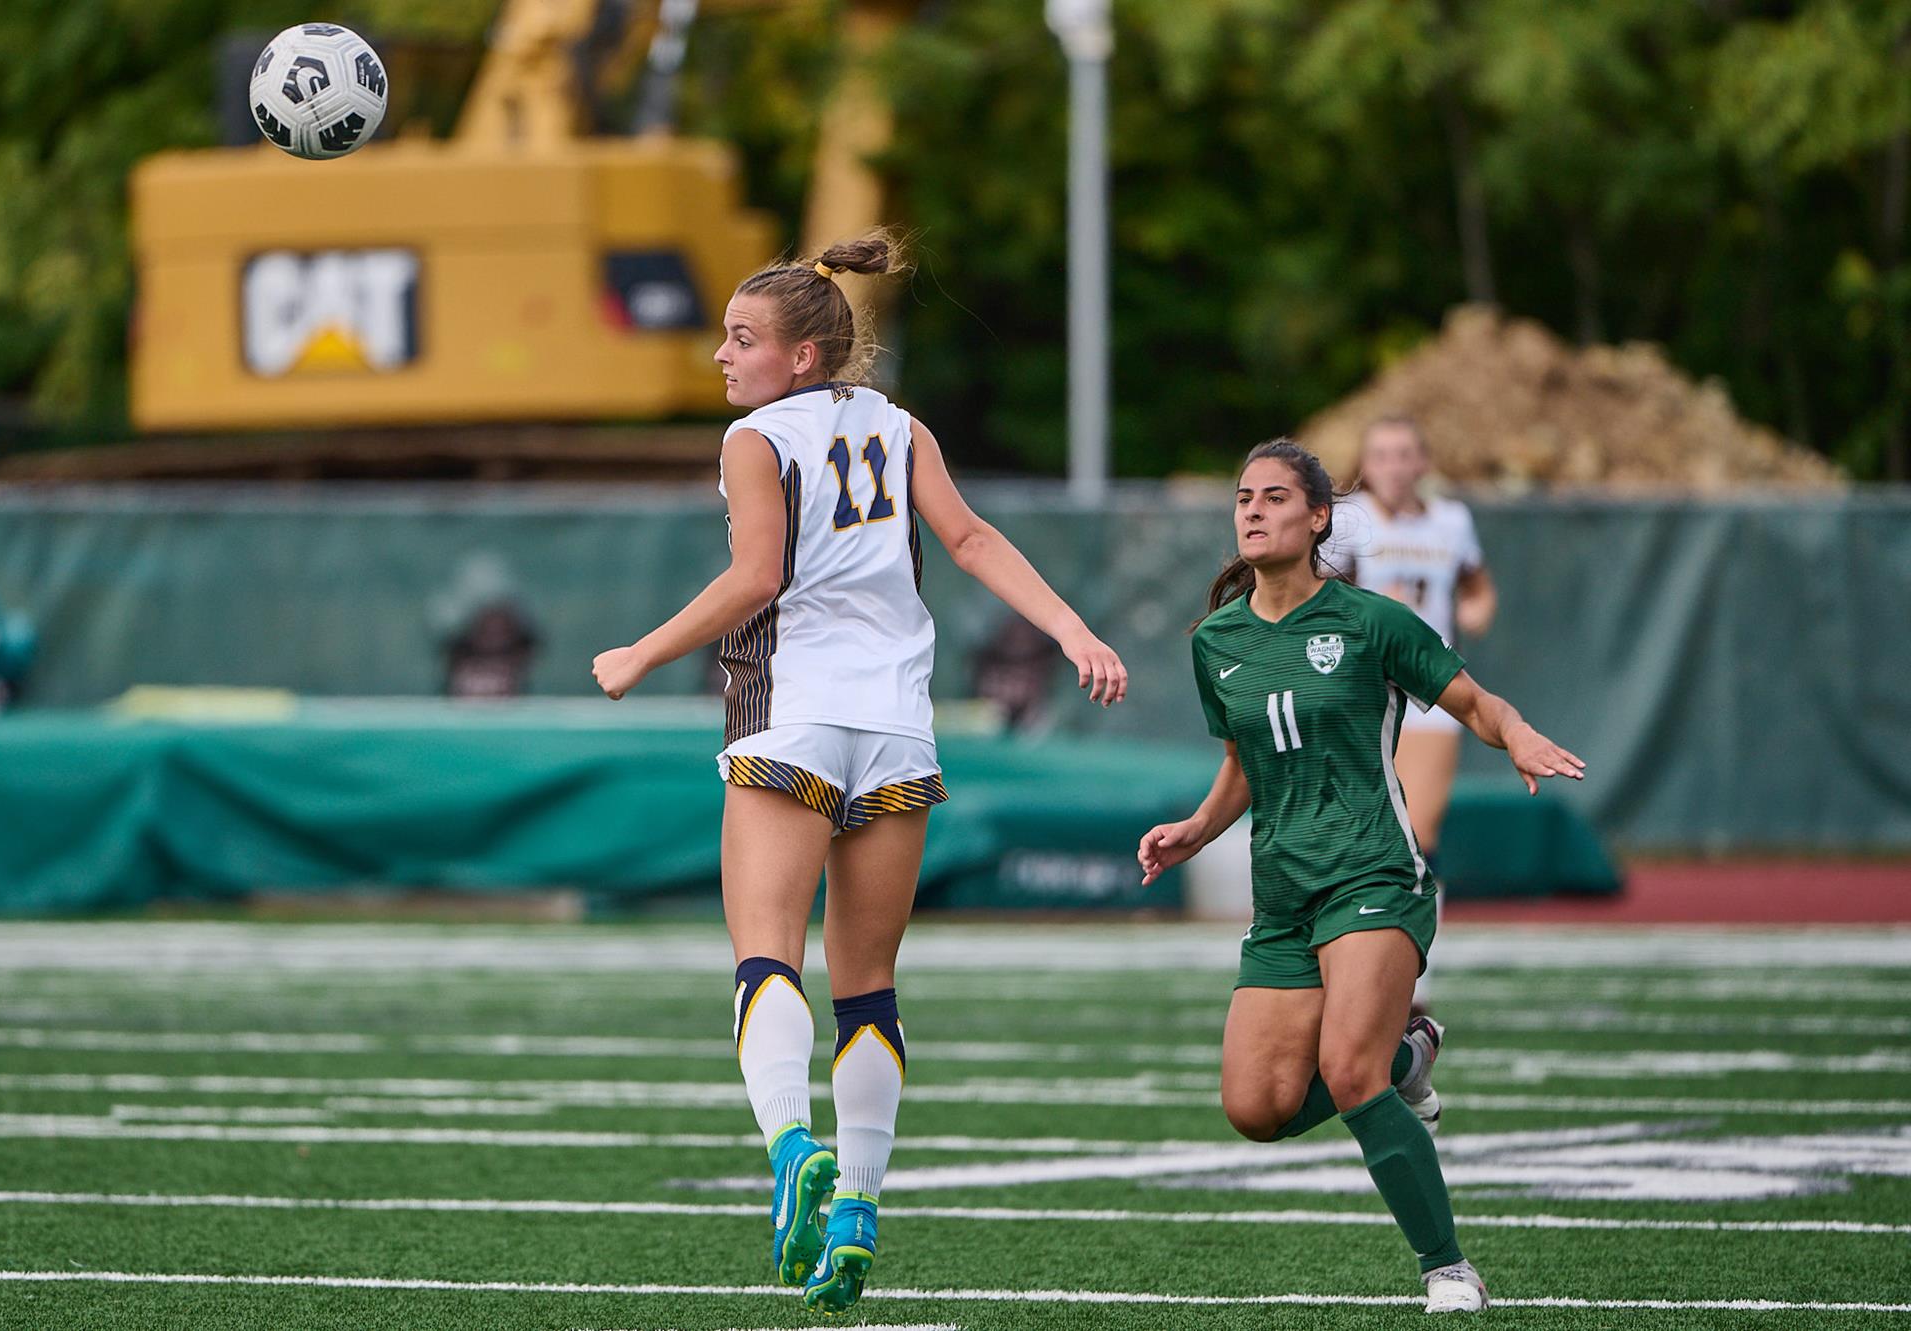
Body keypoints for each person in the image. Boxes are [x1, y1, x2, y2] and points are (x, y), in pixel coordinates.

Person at [591, 230, 1127, 1316]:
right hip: (895, 729)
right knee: (869, 989)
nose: (721, 357)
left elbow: (754, 576)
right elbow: (971, 540)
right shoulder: (901, 425)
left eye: (741, 339)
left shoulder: (755, 437)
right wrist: (1074, 631)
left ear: (799, 357)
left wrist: (640, 652)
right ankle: (859, 1210)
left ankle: (792, 1149)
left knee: (763, 961)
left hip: (792, 719)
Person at [1136, 438, 1581, 1315]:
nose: (1253, 510)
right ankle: (1411, 1052)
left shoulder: (1371, 621)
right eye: (1242, 497)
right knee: (1255, 1108)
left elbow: (1473, 701)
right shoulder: (1216, 641)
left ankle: (1447, 1268)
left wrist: (1517, 732)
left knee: (1347, 1071)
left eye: (1273, 497)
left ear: (1318, 517)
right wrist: (1195, 827)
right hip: (1284, 892)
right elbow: (1244, 764)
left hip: (1376, 870)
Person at [1329, 417, 1496, 1012]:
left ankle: (1412, 977)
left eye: (1404, 454)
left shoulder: (1451, 519)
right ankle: (1344, 964)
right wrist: (1373, 608)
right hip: (1361, 695)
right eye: (1381, 455)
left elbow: (1477, 585)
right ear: (1365, 463)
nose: (1393, 466)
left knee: (1417, 835)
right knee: (1354, 834)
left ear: (1422, 462)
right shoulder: (1348, 519)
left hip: (1429, 692)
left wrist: (1476, 610)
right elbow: (1321, 593)